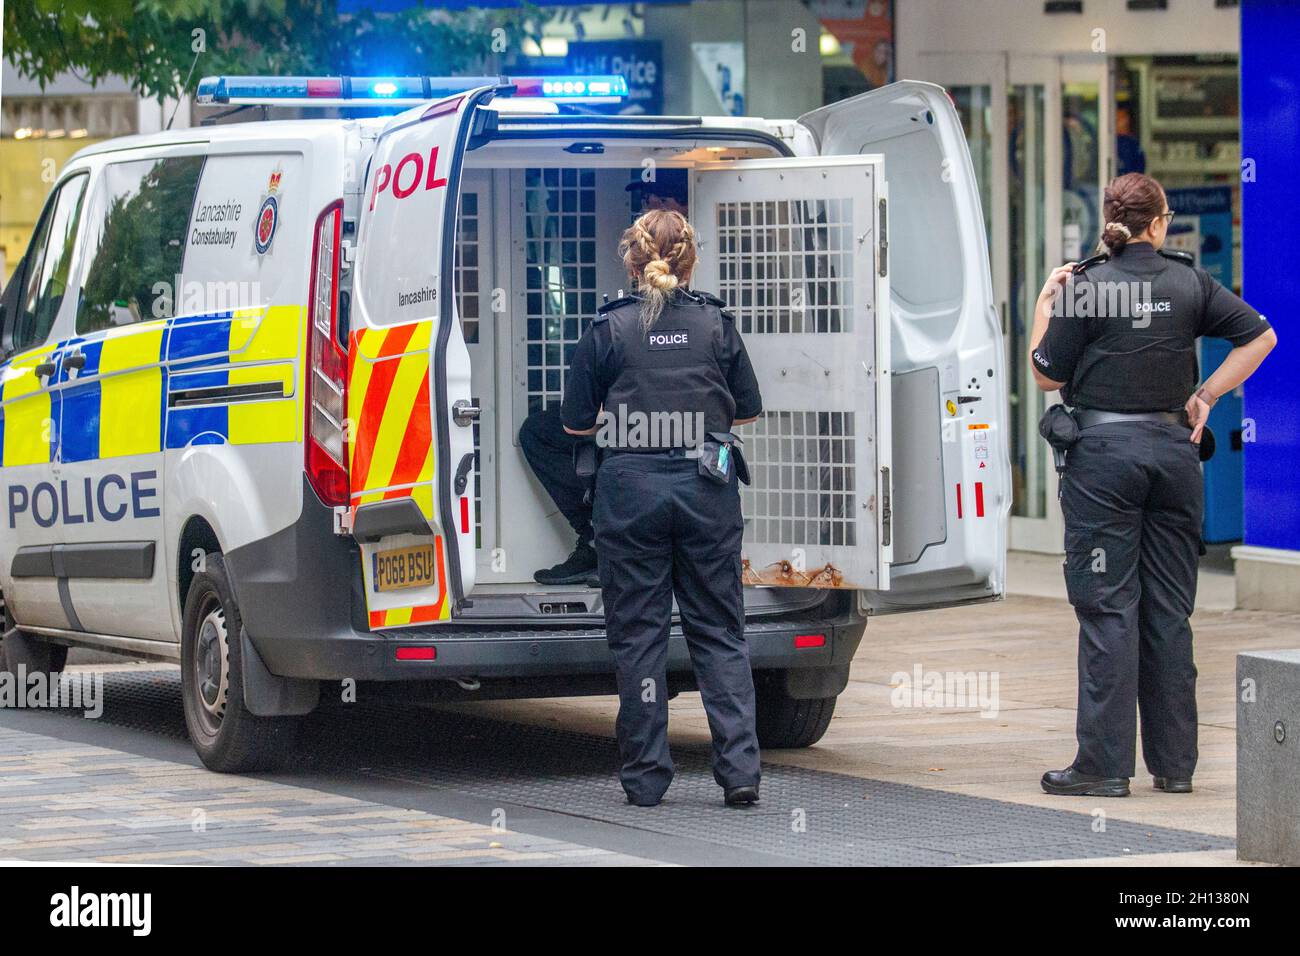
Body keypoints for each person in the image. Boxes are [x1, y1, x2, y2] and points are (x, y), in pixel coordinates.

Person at [1030, 172, 1276, 798]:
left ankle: (1104, 767)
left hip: (1104, 464)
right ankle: (1176, 767)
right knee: (1170, 611)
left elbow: (1045, 377)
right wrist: (1207, 395)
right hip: (1174, 458)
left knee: (1109, 608)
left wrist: (1043, 306)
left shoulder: (1087, 288)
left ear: (1107, 225)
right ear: (1160, 222)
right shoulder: (1189, 281)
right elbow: (1261, 336)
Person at [561, 208, 764, 808]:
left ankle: (647, 778)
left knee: (640, 637)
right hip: (706, 489)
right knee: (720, 632)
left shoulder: (609, 328)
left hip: (631, 493)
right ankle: (740, 773)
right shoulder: (716, 324)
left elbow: (574, 423)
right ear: (691, 259)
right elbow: (747, 411)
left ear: (632, 261)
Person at [520, 171, 690, 586]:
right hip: (662, 434)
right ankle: (597, 538)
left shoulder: (700, 304)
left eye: (657, 202)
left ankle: (608, 542)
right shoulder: (698, 315)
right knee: (541, 432)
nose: (647, 215)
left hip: (667, 434)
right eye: (645, 203)